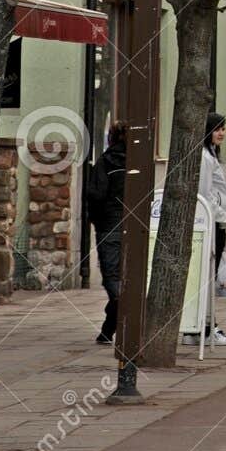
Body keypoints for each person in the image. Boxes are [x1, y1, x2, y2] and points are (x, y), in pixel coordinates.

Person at [198, 111, 226, 346]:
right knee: (207, 277)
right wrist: (220, 215)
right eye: (217, 129)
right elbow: (204, 193)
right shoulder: (204, 157)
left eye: (223, 128)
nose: (221, 133)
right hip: (212, 222)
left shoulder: (211, 154)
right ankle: (206, 328)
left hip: (217, 220)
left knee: (210, 277)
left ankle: (205, 326)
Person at [87, 122, 126, 345]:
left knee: (112, 276)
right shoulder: (139, 162)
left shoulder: (104, 162)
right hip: (133, 225)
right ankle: (107, 330)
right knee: (126, 277)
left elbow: (96, 195)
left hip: (109, 225)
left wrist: (97, 220)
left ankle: (117, 313)